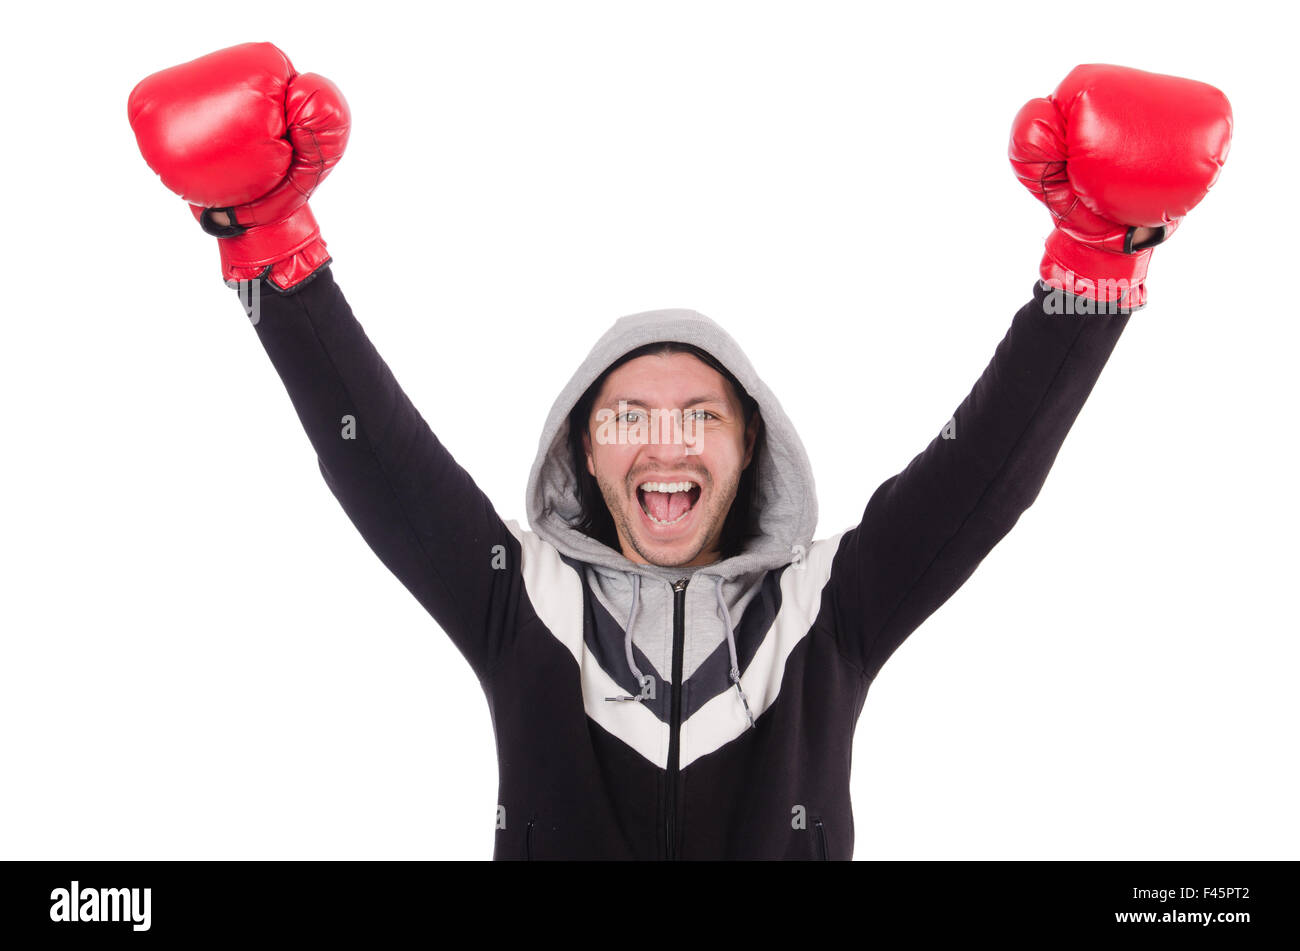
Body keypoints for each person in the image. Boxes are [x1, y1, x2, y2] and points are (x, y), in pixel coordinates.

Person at [127, 43, 1232, 860]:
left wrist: (1094, 267)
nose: (666, 441)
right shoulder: (520, 597)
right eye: (629, 417)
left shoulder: (828, 607)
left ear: (750, 450)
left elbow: (988, 468)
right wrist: (269, 246)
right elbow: (377, 457)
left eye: (701, 415)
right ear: (585, 455)